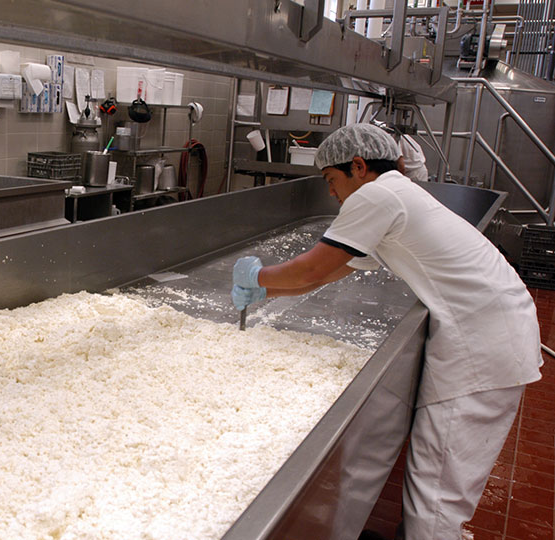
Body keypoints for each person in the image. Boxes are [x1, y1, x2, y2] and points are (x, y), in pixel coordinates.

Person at [231, 123, 542, 539]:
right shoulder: (397, 193)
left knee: (438, 490)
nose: (331, 192)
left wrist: (258, 276)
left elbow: (313, 268)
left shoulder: (375, 196)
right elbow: (329, 273)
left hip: (483, 345)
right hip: (493, 328)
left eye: (331, 179)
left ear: (358, 167)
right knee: (436, 477)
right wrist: (266, 292)